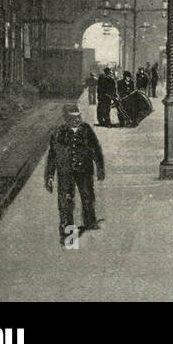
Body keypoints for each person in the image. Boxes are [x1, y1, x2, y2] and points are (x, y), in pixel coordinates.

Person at [44, 104, 105, 247]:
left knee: (87, 195)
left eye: (78, 117)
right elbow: (52, 155)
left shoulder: (86, 130)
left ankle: (90, 221)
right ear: (66, 119)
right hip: (66, 172)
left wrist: (100, 167)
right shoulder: (58, 132)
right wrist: (50, 176)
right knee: (66, 202)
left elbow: (96, 149)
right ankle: (68, 233)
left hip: (84, 170)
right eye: (73, 118)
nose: (76, 120)